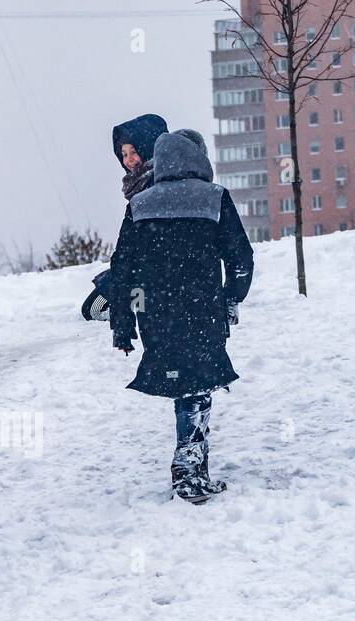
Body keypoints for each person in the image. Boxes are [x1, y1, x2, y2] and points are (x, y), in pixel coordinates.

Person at [107, 129, 254, 503]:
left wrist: (124, 324)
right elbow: (241, 260)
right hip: (203, 311)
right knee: (197, 384)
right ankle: (187, 468)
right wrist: (231, 298)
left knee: (185, 383)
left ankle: (195, 465)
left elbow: (122, 271)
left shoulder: (139, 205)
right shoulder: (214, 198)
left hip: (157, 315)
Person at [81, 113, 170, 323]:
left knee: (93, 310)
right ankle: (137, 305)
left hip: (154, 275)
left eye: (134, 152)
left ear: (149, 147)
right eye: (123, 154)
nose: (128, 160)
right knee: (96, 304)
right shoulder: (142, 182)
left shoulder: (156, 184)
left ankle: (138, 308)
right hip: (144, 270)